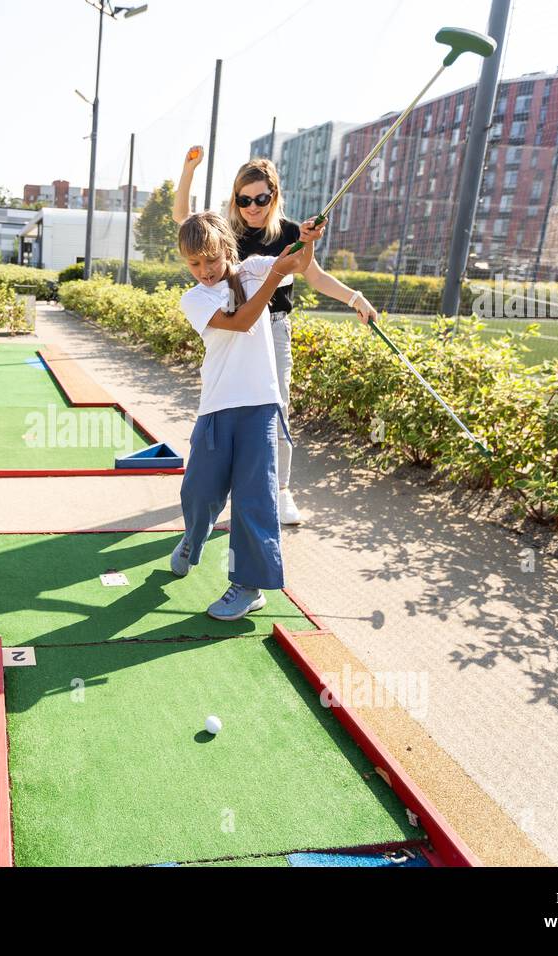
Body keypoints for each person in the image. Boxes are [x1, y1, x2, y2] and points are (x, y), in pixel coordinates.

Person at [174, 149, 378, 525]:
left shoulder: (288, 231)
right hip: (234, 331)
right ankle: (230, 493)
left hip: (273, 329)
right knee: (232, 414)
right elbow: (186, 221)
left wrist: (354, 296)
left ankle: (280, 491)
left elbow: (308, 272)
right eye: (244, 199)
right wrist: (188, 170)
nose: (252, 206)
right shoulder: (226, 232)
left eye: (261, 198)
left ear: (274, 195)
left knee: (275, 410)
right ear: (236, 199)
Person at [172, 211, 309, 620]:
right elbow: (241, 321)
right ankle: (192, 538)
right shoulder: (195, 298)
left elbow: (295, 262)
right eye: (194, 264)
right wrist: (271, 278)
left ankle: (248, 586)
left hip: (260, 405)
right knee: (198, 493)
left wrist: (308, 238)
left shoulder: (254, 269)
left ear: (226, 249)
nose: (204, 271)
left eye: (211, 260)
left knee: (255, 500)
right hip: (216, 406)